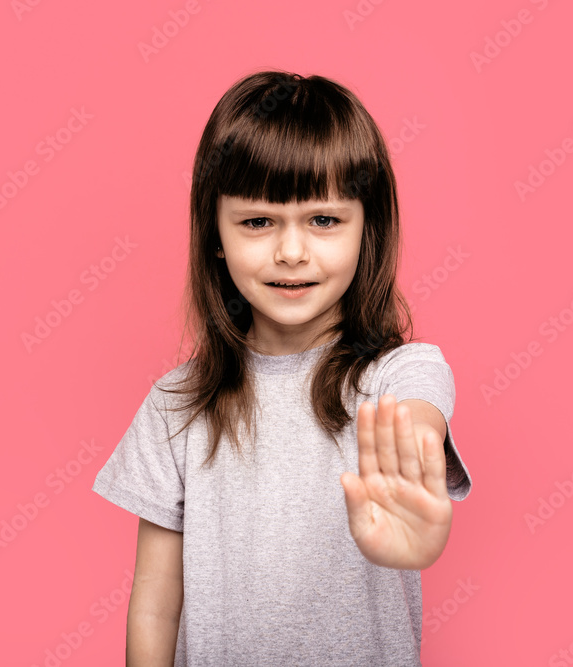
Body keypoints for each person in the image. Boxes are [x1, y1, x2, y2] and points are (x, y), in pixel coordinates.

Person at [92, 69, 472, 667]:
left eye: (323, 220)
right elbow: (155, 601)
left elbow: (418, 406)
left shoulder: (394, 374)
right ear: (215, 233)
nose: (291, 252)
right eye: (257, 221)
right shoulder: (176, 403)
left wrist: (415, 463)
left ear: (365, 227)